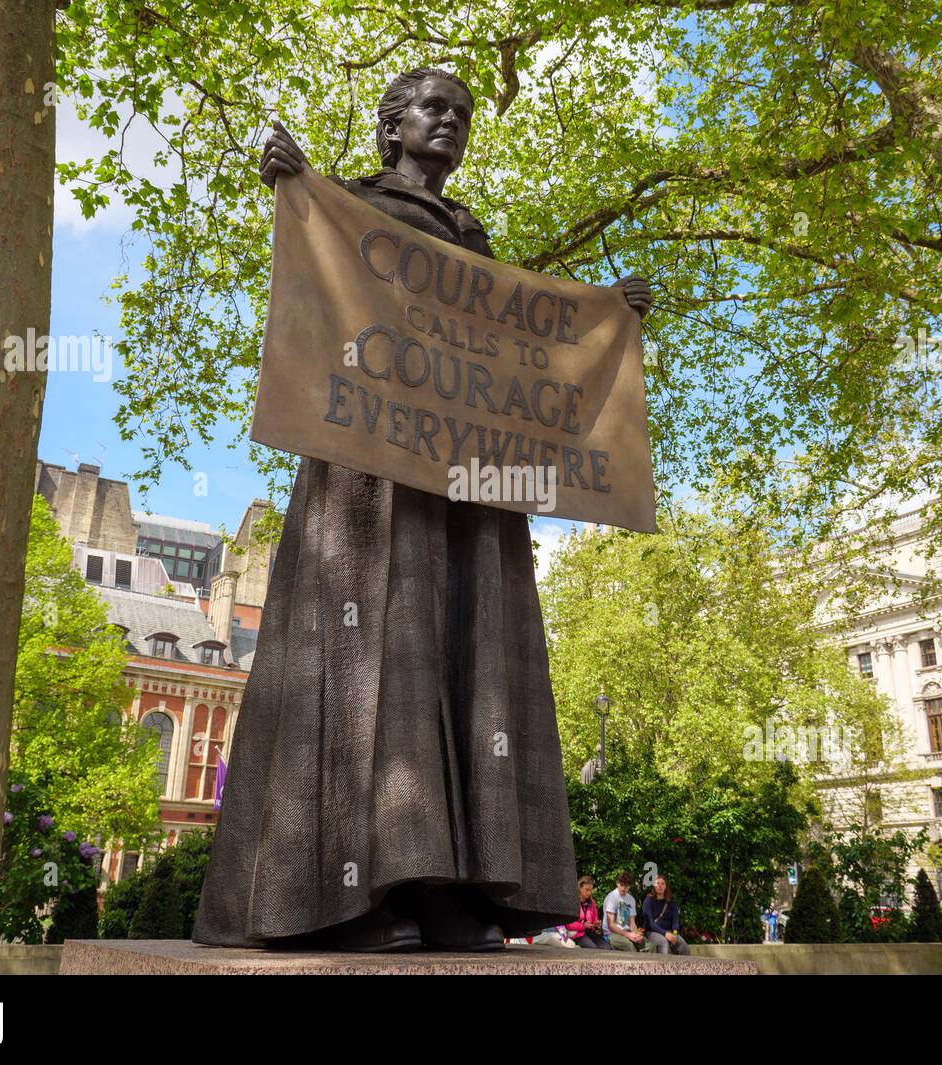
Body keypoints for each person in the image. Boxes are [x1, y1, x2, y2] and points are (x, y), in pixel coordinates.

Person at [191, 67, 654, 954]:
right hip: (371, 477)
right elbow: (323, 303)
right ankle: (347, 892)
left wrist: (607, 320)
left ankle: (452, 883)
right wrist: (292, 185)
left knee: (463, 657)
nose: (450, 124)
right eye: (433, 109)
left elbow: (522, 353)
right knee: (377, 657)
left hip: (467, 489)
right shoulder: (351, 206)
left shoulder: (473, 240)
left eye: (463, 115)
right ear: (393, 123)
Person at [604, 872, 653, 952]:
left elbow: (632, 923)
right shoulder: (611, 898)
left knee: (649, 946)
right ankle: (636, 964)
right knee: (629, 946)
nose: (623, 888)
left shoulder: (631, 899)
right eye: (621, 885)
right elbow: (611, 925)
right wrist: (629, 935)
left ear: (630, 886)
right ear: (617, 883)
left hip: (627, 932)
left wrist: (636, 933)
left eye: (626, 886)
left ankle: (644, 964)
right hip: (611, 934)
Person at [642, 875, 691, 955]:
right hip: (652, 932)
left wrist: (674, 934)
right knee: (663, 943)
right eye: (657, 883)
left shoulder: (670, 901)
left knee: (684, 947)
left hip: (669, 932)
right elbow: (650, 924)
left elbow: (675, 920)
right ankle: (664, 967)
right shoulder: (648, 900)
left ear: (666, 886)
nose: (660, 886)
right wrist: (665, 934)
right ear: (654, 885)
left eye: (662, 884)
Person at [570, 876, 610, 949]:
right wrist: (583, 926)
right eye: (587, 890)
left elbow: (594, 919)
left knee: (607, 948)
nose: (589, 892)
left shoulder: (592, 902)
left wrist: (596, 924)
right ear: (580, 888)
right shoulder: (572, 901)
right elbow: (568, 924)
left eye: (591, 890)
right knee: (593, 948)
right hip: (577, 934)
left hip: (590, 933)